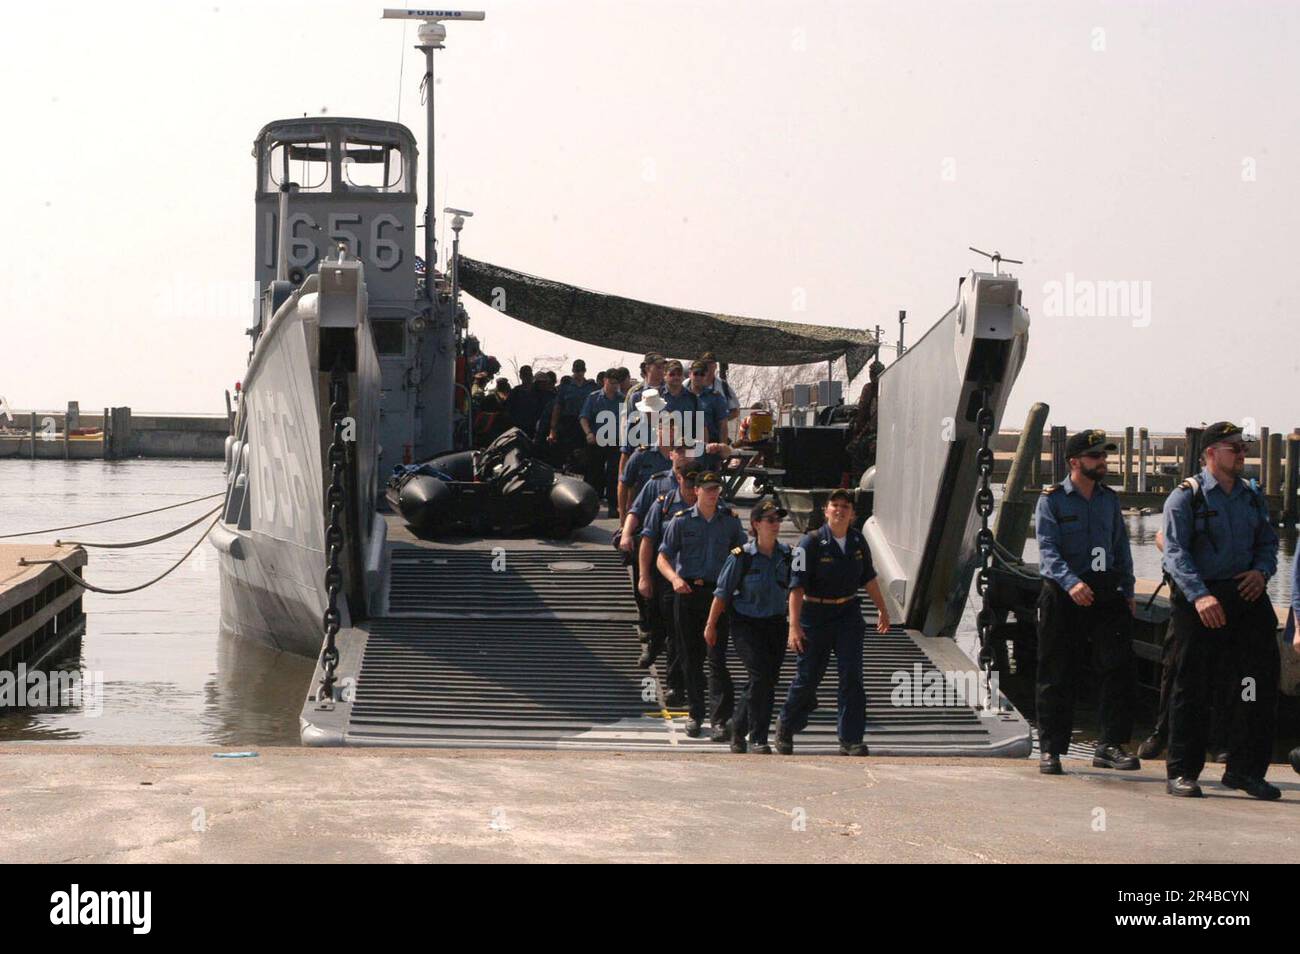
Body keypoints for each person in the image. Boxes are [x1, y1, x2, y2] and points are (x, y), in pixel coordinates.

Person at [1161, 421, 1281, 800]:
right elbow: (1176, 553)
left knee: (1254, 684)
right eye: (1234, 448)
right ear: (1211, 453)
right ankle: (1183, 770)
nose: (1242, 454)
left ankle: (1244, 769)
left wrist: (1263, 573)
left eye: (1243, 448)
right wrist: (1199, 595)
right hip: (1201, 598)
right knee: (1193, 684)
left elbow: (1267, 542)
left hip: (1245, 594)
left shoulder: (1250, 495)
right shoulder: (1187, 497)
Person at [1033, 429, 1139, 776]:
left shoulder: (1109, 500)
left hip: (1106, 589)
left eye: (1104, 457)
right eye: (1095, 457)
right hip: (1064, 592)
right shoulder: (1052, 500)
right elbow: (1047, 550)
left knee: (1117, 668)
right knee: (1057, 671)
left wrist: (1127, 589)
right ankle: (1051, 749)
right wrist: (1071, 582)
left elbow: (1120, 546)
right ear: (1075, 462)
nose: (1102, 463)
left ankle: (1110, 745)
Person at [775, 488, 891, 756]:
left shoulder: (858, 541)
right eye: (835, 506)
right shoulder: (809, 543)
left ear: (852, 514)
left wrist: (883, 609)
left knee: (852, 676)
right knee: (808, 677)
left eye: (845, 507)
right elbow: (796, 587)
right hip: (815, 616)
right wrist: (794, 627)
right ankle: (786, 724)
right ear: (826, 510)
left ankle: (850, 739)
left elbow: (869, 578)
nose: (839, 510)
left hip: (848, 614)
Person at [657, 471, 745, 739]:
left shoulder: (729, 522)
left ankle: (719, 719)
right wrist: (674, 579)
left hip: (717, 595)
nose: (712, 493)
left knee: (717, 658)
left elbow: (742, 553)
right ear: (696, 491)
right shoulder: (680, 522)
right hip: (688, 594)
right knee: (690, 657)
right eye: (707, 489)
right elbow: (663, 556)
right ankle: (695, 713)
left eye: (715, 489)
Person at [705, 498, 791, 753]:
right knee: (759, 676)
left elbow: (797, 590)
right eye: (771, 520)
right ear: (756, 524)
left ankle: (737, 727)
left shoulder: (787, 555)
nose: (776, 525)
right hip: (746, 625)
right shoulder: (741, 556)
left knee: (766, 681)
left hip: (776, 624)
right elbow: (722, 592)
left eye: (778, 520)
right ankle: (757, 737)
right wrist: (711, 625)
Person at [637, 459, 701, 704]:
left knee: (697, 636)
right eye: (689, 481)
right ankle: (676, 685)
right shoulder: (663, 506)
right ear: (680, 479)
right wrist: (644, 576)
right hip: (670, 579)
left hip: (701, 581)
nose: (693, 488)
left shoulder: (713, 505)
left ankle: (692, 677)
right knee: (676, 633)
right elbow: (648, 541)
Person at [580, 369, 624, 517]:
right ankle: (590, 505)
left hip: (615, 441)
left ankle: (613, 506)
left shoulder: (622, 400)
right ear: (605, 380)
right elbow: (584, 417)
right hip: (597, 441)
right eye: (611, 382)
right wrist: (589, 433)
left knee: (613, 475)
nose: (614, 386)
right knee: (594, 474)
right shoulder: (594, 398)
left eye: (616, 383)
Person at [549, 359, 598, 472]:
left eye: (580, 370)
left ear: (584, 371)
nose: (578, 373)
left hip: (586, 425)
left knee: (585, 458)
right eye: (576, 370)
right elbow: (557, 408)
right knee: (567, 456)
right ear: (573, 370)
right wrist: (553, 429)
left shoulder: (591, 387)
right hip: (568, 424)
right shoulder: (565, 387)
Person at [687, 358, 732, 470]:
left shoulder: (715, 397)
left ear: (706, 375)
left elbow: (723, 425)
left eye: (702, 374)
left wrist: (722, 450)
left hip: (709, 449)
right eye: (696, 373)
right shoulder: (682, 396)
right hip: (686, 447)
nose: (698, 377)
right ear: (690, 374)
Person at [506, 366, 539, 439]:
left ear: (532, 375)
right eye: (525, 375)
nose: (527, 377)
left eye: (529, 374)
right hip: (518, 428)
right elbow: (508, 409)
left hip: (534, 428)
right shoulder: (515, 391)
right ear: (521, 376)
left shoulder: (538, 391)